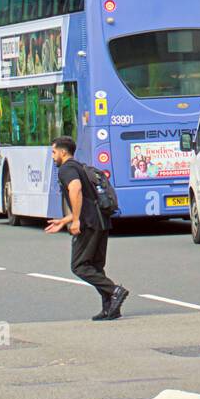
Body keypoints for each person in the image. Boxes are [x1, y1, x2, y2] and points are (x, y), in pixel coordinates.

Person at [45, 136, 128, 321]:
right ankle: (109, 308)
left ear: (63, 152)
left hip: (89, 224)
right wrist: (65, 219)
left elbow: (76, 190)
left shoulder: (66, 169)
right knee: (96, 266)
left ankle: (115, 291)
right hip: (101, 221)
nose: (52, 156)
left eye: (53, 152)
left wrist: (75, 221)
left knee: (79, 266)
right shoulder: (79, 166)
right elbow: (88, 200)